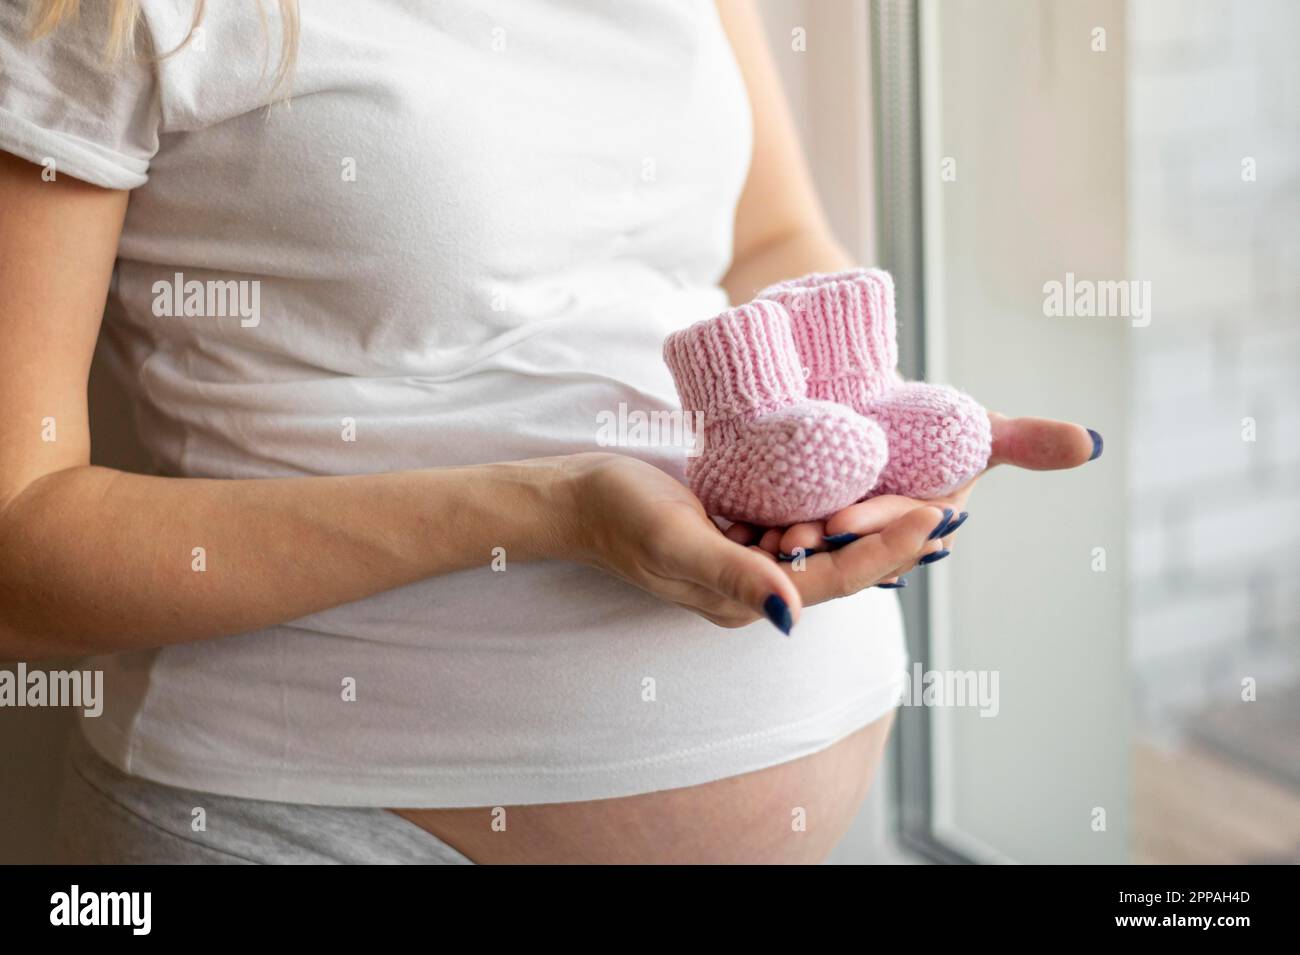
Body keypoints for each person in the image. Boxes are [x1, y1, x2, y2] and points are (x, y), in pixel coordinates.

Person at [0, 0, 1099, 864]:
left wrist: (861, 431)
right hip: (318, 818)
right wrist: (554, 506)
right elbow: (21, 549)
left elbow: (766, 241)